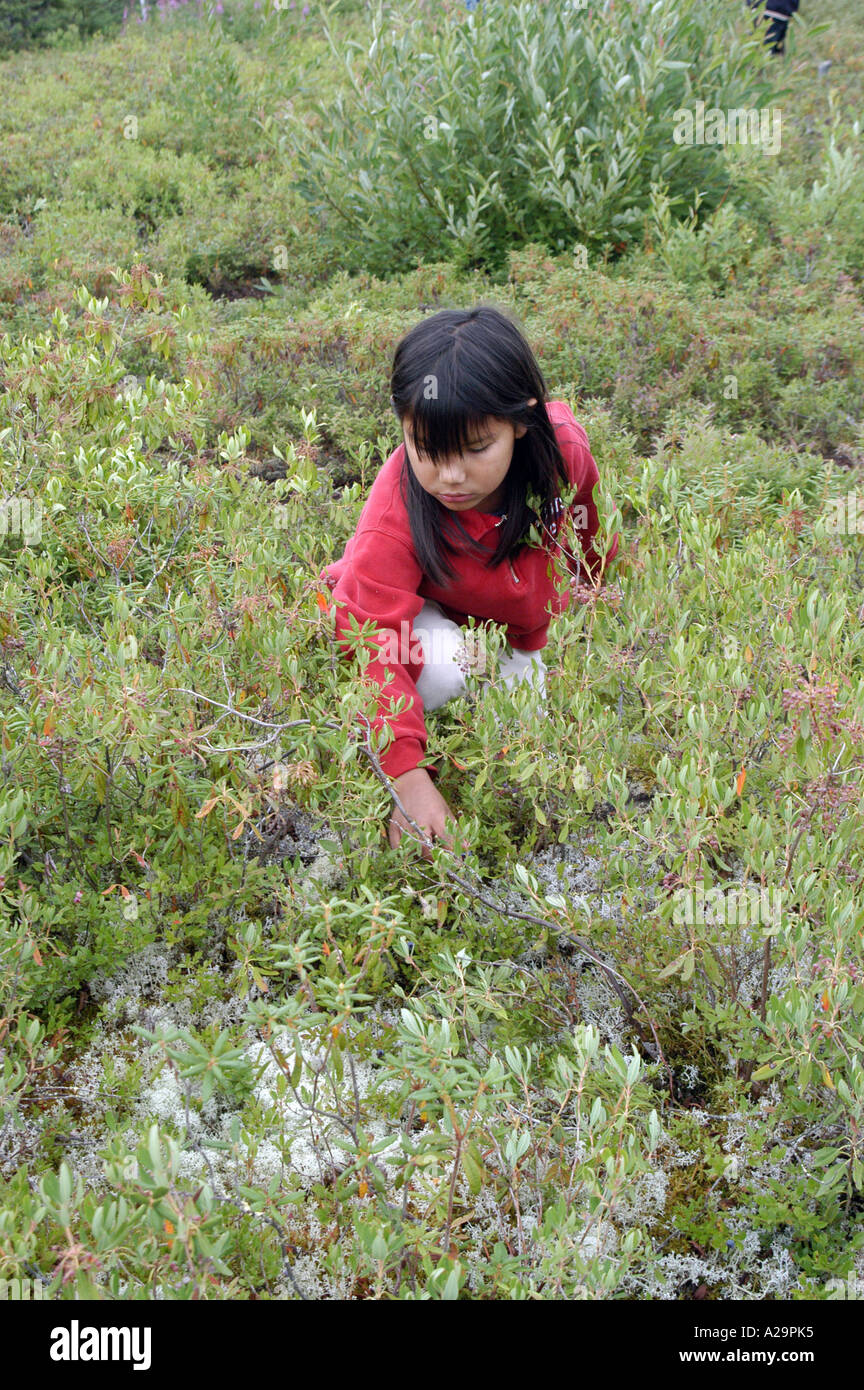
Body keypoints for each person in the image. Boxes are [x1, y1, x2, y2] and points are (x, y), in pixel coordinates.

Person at [318, 305, 619, 860]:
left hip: (505, 627)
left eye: (477, 448)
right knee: (451, 666)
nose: (449, 477)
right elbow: (373, 640)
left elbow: (592, 541)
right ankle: (417, 743)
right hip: (415, 620)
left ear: (522, 420)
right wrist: (407, 779)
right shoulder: (398, 510)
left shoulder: (565, 456)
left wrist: (600, 606)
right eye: (427, 450)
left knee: (526, 724)